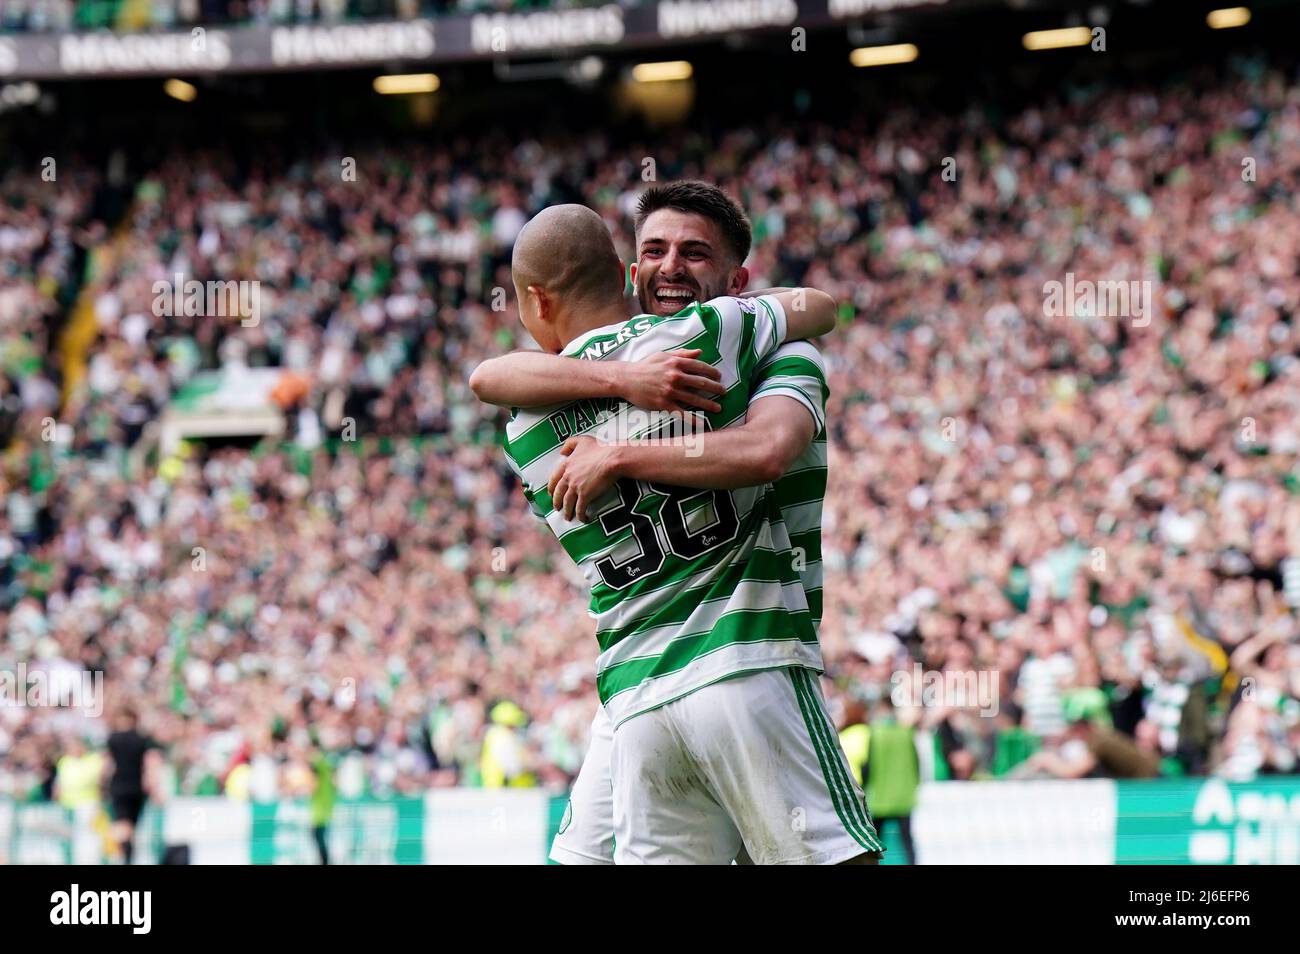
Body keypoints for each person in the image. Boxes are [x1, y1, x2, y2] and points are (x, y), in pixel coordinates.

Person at [476, 200, 882, 864]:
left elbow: (489, 376)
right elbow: (820, 306)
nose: (668, 267)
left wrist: (618, 450)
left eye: (694, 253)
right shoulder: (718, 334)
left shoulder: (523, 424)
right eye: (655, 251)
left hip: (639, 696)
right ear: (626, 270)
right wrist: (627, 382)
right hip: (745, 661)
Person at [104, 706, 156, 865]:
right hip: (136, 787)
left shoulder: (113, 739)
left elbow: (107, 765)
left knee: (121, 825)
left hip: (119, 786)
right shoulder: (142, 739)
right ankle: (128, 857)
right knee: (131, 826)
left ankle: (124, 858)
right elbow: (151, 764)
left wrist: (102, 786)